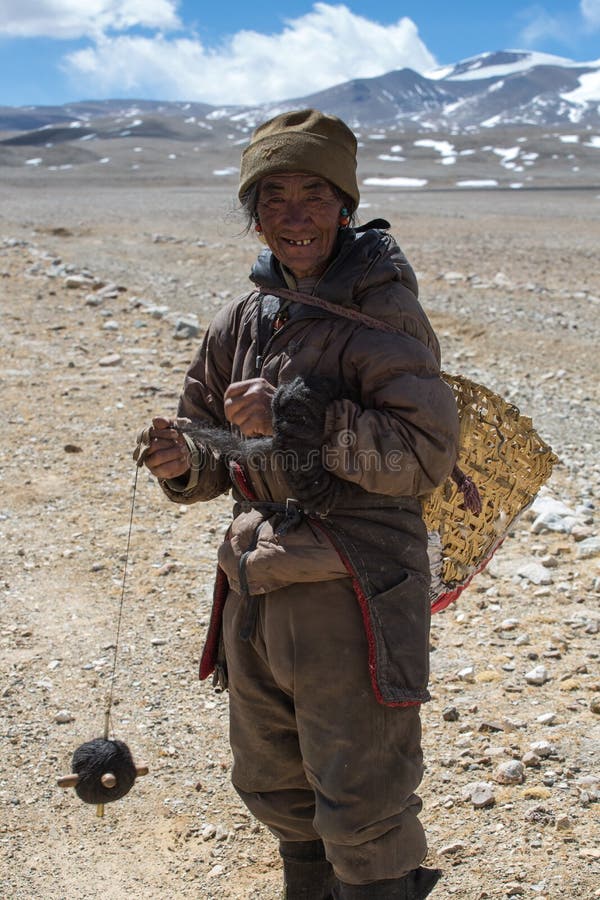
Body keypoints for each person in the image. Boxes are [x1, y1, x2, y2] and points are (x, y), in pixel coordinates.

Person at [138, 109, 459, 899]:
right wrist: (185, 461)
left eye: (314, 194)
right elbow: (215, 445)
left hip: (353, 581)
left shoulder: (385, 314)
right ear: (254, 214)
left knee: (362, 798)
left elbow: (423, 453)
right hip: (256, 578)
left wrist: (298, 416)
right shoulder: (242, 320)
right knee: (274, 783)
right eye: (273, 196)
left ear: (344, 205)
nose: (295, 214)